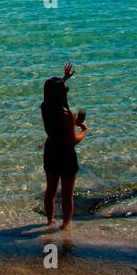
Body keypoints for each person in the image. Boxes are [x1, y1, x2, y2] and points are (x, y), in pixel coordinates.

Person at [41, 61, 86, 229]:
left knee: (50, 190)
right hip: (66, 154)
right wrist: (85, 131)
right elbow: (72, 140)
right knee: (67, 194)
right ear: (62, 94)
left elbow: (53, 93)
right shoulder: (67, 115)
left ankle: (49, 221)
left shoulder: (45, 107)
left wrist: (64, 78)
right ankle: (66, 226)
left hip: (51, 150)